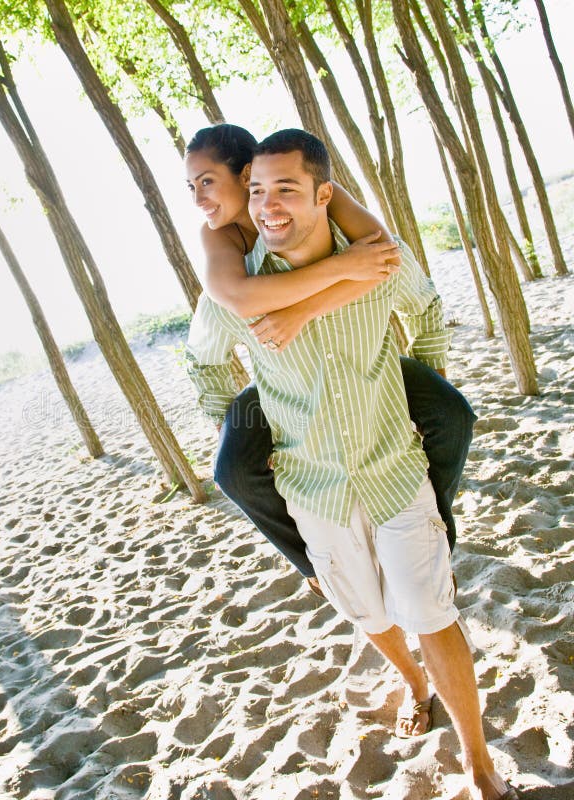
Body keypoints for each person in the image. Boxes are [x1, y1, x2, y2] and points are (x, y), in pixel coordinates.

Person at [185, 127, 516, 800]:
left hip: (395, 469)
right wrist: (247, 426)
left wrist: (419, 385)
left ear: (321, 194)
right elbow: (204, 361)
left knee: (431, 609)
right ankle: (410, 678)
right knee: (367, 612)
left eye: (285, 190)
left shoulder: (368, 255)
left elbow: (424, 307)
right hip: (312, 489)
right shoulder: (236, 282)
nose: (268, 205)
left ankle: (480, 766)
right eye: (258, 192)